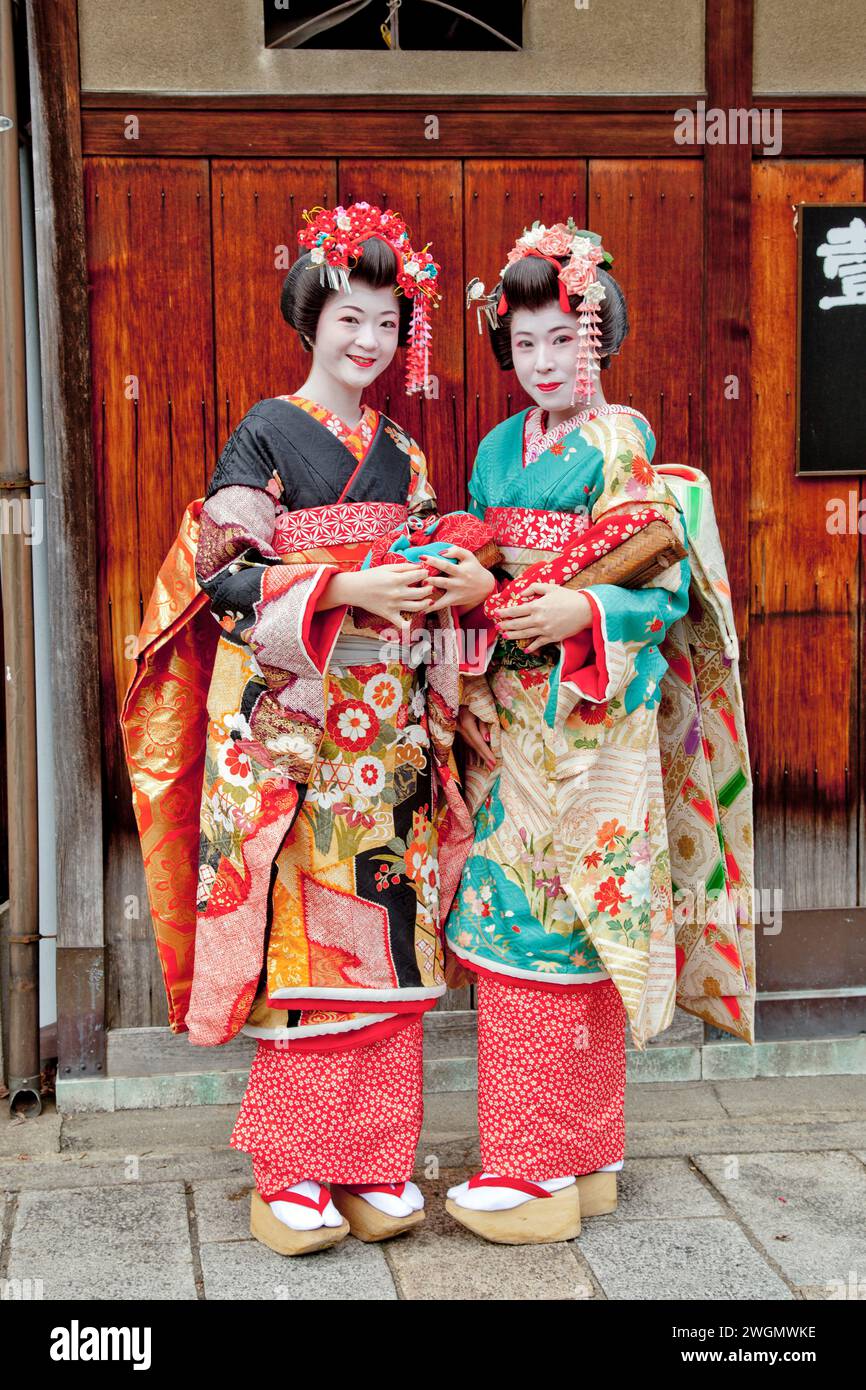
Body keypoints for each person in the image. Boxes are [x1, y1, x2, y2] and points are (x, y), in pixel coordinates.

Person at [120, 202, 495, 1256]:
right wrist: (347, 587)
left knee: (389, 940)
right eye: (349, 317)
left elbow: (426, 556)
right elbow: (225, 579)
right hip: (303, 726)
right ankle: (290, 1168)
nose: (367, 340)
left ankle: (374, 1161)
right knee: (310, 945)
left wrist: (442, 577)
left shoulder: (406, 456)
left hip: (394, 733)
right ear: (310, 316)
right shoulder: (265, 431)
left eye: (385, 320)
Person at [435, 221, 755, 1245]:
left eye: (562, 340)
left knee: (563, 919)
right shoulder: (496, 448)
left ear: (599, 337)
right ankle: (578, 1152)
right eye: (522, 343)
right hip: (516, 716)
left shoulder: (622, 443)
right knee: (521, 917)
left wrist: (582, 612)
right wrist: (477, 574)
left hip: (595, 718)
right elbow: (479, 543)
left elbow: (661, 584)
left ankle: (539, 1169)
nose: (542, 363)